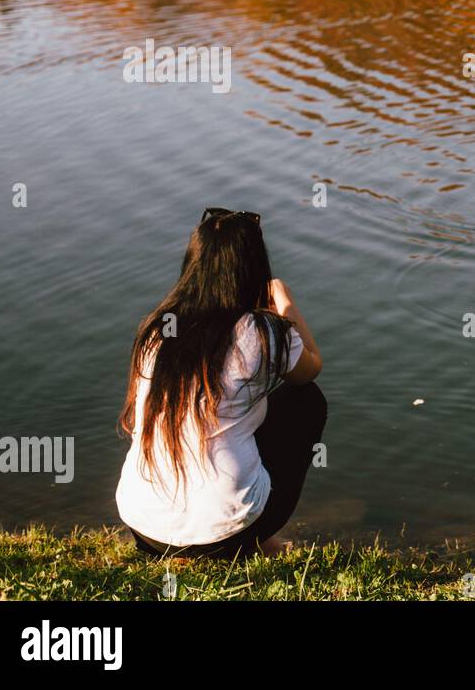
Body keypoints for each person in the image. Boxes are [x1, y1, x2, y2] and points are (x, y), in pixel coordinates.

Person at [115, 208, 325, 558]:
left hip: (144, 528)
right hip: (219, 538)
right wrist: (285, 304)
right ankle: (252, 535)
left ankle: (245, 531)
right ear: (253, 267)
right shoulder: (260, 332)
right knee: (306, 401)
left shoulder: (156, 331)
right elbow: (311, 369)